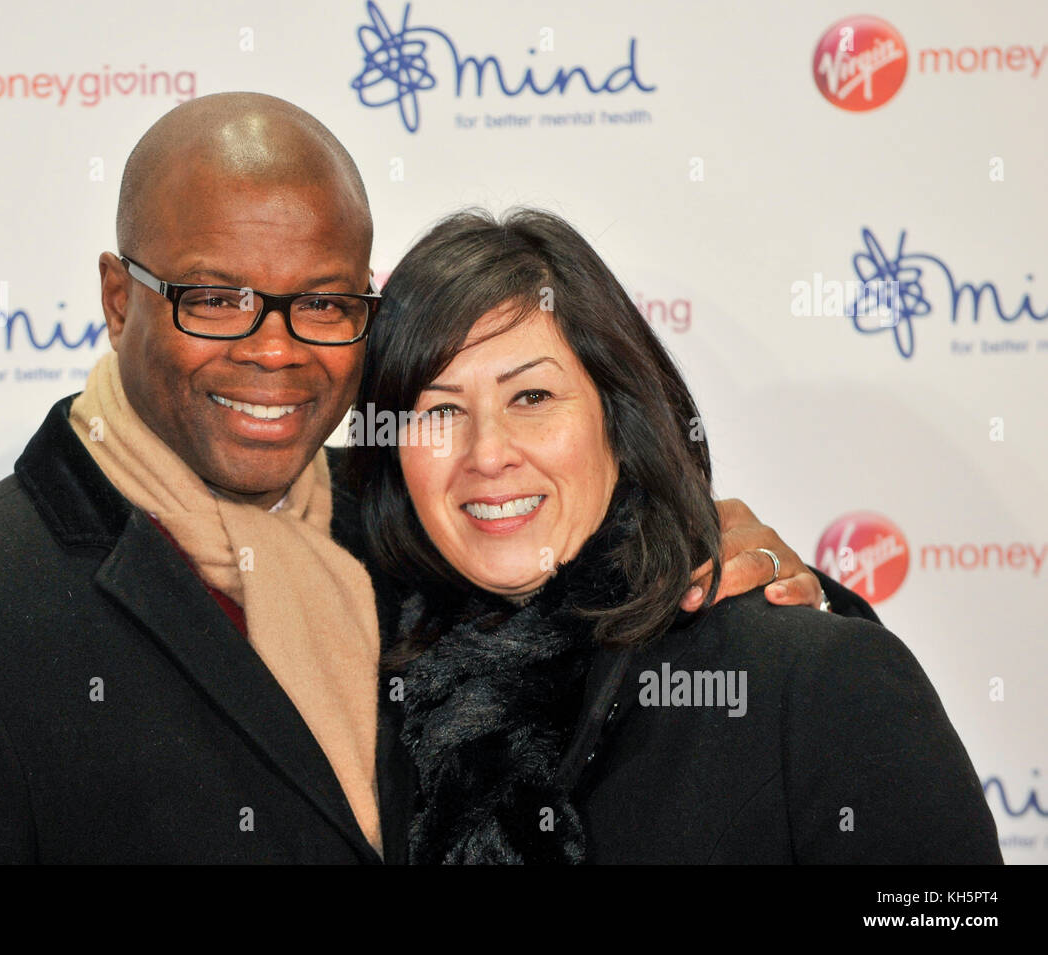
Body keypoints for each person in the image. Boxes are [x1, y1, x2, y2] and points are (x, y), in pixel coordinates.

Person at [0, 94, 861, 864]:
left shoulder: (405, 522)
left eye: (325, 303)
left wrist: (729, 560)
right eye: (214, 297)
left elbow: (596, 591)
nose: (276, 349)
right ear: (118, 298)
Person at [345, 207, 1002, 864]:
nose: (487, 454)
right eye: (441, 410)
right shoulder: (372, 694)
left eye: (532, 398)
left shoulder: (812, 680)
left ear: (620, 416)